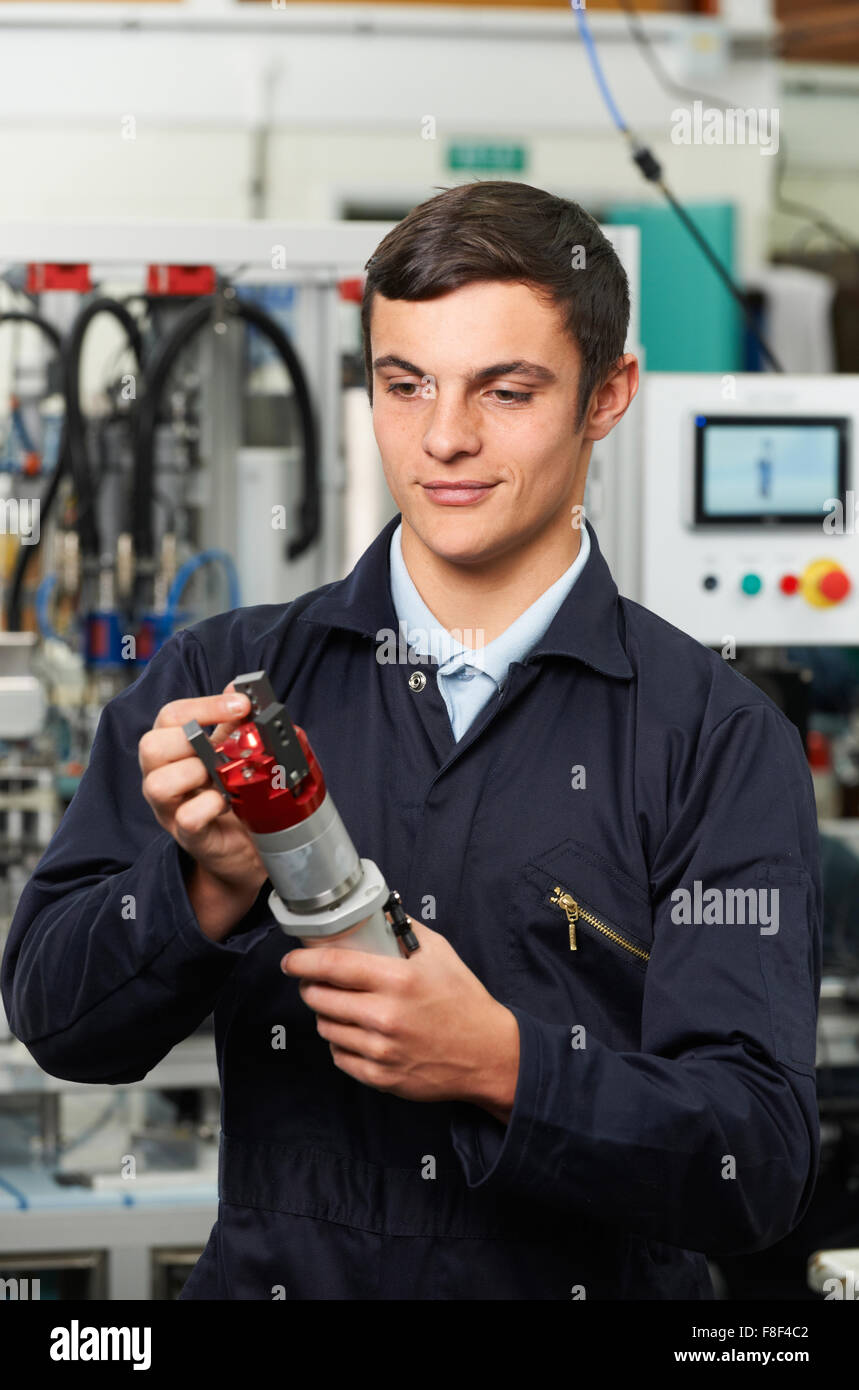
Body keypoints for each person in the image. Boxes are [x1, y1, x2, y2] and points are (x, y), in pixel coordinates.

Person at [1, 181, 821, 1300]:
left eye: (507, 388)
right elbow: (56, 1024)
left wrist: (504, 1067)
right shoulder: (222, 684)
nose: (444, 437)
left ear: (607, 395)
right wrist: (202, 883)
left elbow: (757, 1164)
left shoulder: (716, 740)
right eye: (405, 384)